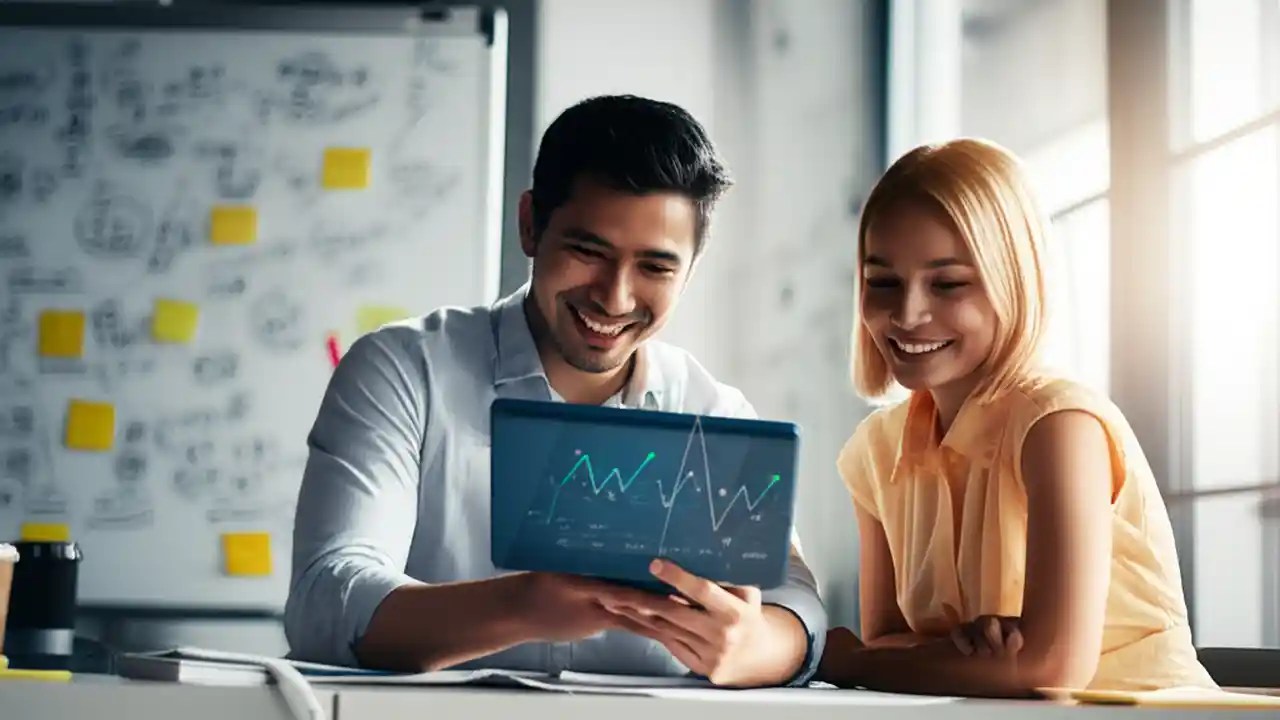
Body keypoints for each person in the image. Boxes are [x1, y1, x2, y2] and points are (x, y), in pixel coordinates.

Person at [284, 95, 826, 687]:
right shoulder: (406, 372)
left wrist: (758, 646)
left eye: (656, 268)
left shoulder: (714, 412)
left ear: (691, 269)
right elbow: (325, 600)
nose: (615, 298)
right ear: (530, 225)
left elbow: (796, 606)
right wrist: (520, 607)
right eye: (588, 251)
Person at [815, 139, 1216, 696]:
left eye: (949, 283)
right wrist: (951, 659)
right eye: (882, 282)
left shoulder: (1057, 425)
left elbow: (1051, 668)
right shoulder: (874, 451)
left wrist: (850, 663)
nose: (906, 314)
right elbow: (889, 643)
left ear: (1014, 280)